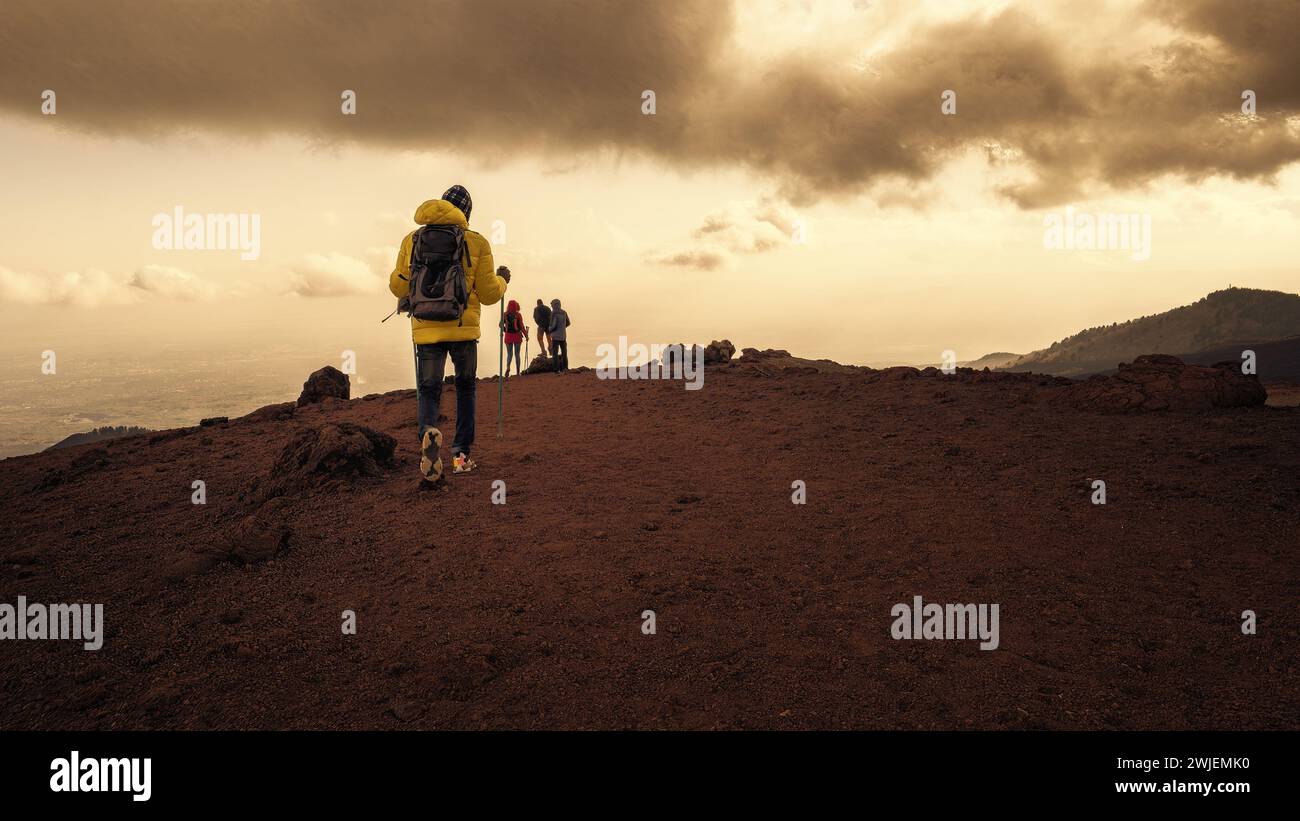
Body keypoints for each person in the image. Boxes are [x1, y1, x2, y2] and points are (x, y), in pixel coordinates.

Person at [388, 185, 509, 480]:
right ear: (465, 212)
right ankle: (460, 456)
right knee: (465, 389)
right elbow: (490, 294)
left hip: (426, 331)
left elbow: (397, 287)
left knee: (429, 389)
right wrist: (503, 280)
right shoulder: (476, 242)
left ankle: (429, 433)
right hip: (462, 329)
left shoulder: (412, 240)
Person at [501, 299, 528, 377]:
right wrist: (526, 335)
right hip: (517, 336)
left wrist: (505, 330)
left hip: (508, 336)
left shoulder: (505, 314)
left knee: (509, 354)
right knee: (517, 354)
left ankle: (508, 367)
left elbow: (500, 324)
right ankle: (518, 372)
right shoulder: (518, 315)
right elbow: (522, 326)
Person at [548, 298, 571, 372]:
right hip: (563, 335)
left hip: (555, 336)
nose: (551, 307)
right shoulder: (564, 312)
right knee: (564, 352)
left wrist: (550, 329)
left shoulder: (553, 313)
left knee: (555, 353)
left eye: (552, 305)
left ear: (554, 305)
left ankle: (556, 369)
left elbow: (553, 325)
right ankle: (565, 368)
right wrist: (562, 327)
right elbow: (568, 323)